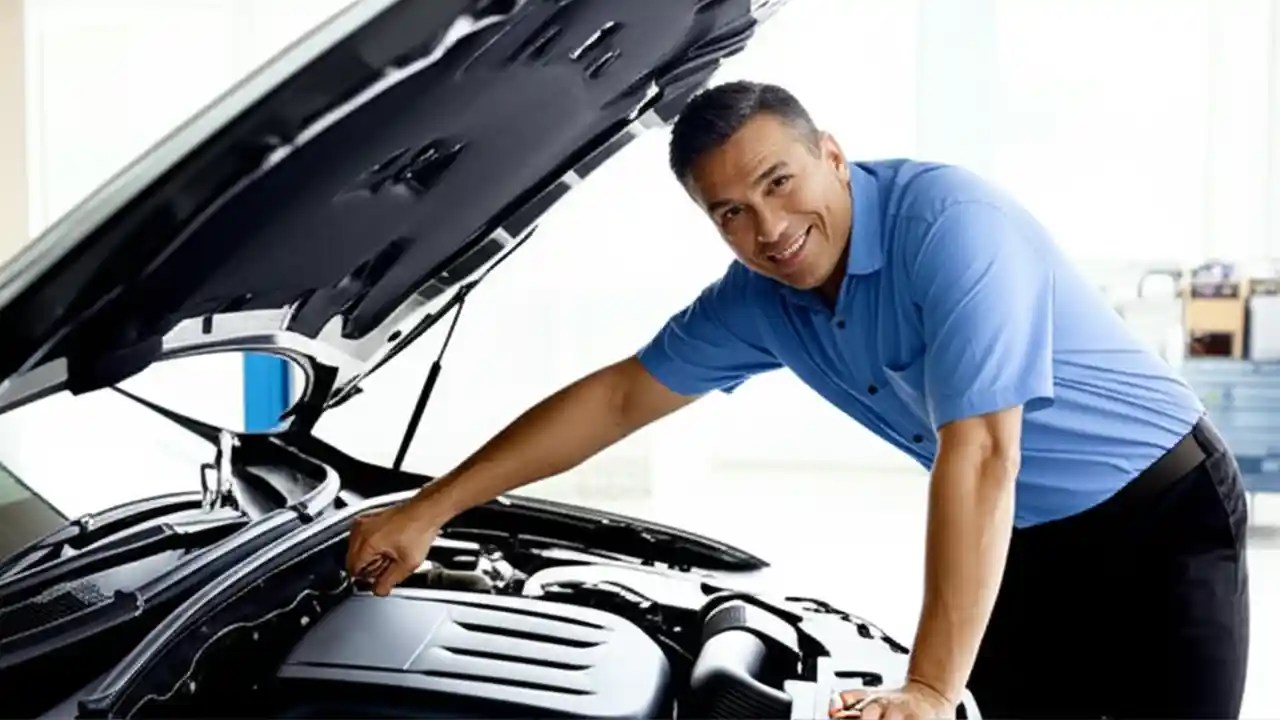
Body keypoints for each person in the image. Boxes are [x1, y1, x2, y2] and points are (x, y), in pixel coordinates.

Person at [345, 81, 1250, 719]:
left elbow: (981, 452)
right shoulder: (758, 300)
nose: (769, 229)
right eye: (730, 212)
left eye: (778, 182)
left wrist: (928, 688)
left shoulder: (950, 225)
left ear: (832, 155)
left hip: (1164, 510)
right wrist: (430, 510)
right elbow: (618, 398)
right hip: (1023, 534)